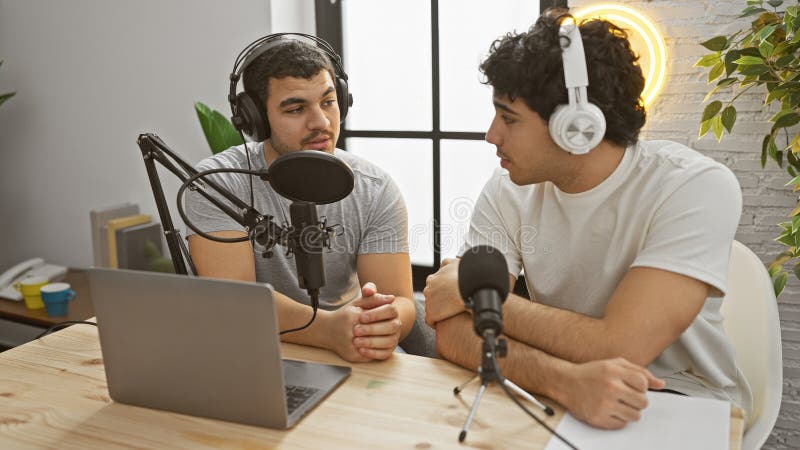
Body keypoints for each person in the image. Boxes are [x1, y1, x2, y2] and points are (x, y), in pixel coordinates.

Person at [424, 9, 751, 429]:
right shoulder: (508, 187)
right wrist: (564, 380)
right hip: (563, 388)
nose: (491, 135)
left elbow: (623, 345)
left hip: (682, 398)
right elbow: (452, 333)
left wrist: (477, 298)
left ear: (576, 128)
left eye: (509, 118)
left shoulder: (695, 187)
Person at [185, 35, 424, 362]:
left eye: (328, 102)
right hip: (255, 349)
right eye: (296, 109)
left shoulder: (374, 187)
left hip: (351, 345)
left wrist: (385, 322)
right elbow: (236, 303)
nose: (321, 123)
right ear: (256, 118)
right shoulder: (220, 183)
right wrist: (329, 330)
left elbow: (401, 301)